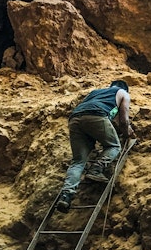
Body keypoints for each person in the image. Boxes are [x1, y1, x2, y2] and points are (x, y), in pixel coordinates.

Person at [56, 80, 135, 212]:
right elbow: (123, 120)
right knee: (114, 146)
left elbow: (111, 115)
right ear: (126, 89)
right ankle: (96, 170)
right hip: (96, 116)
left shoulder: (96, 93)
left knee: (78, 161)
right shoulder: (123, 93)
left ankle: (66, 196)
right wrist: (128, 133)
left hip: (75, 119)